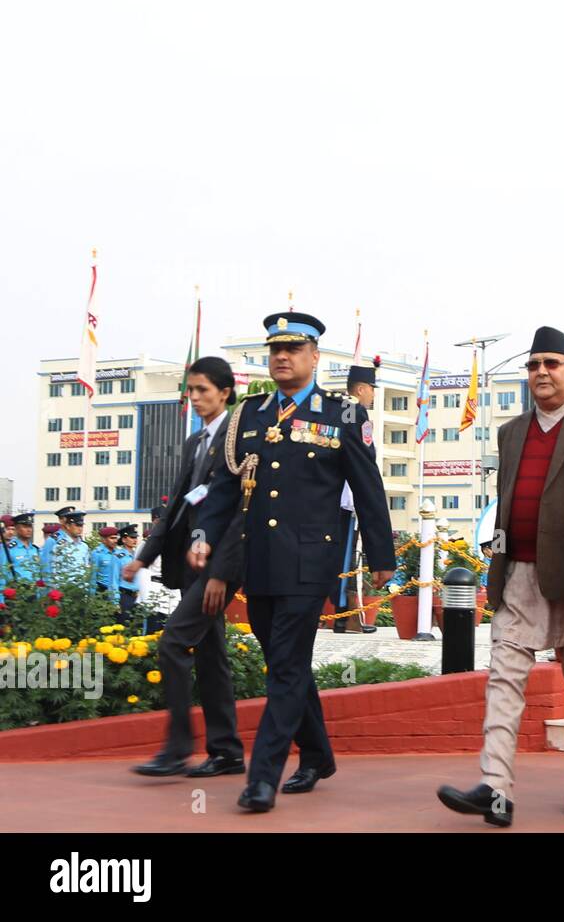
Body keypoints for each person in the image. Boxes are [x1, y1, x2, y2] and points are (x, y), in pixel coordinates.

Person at [191, 314, 394, 813]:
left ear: (315, 357)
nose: (282, 357)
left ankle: (262, 778)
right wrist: (203, 537)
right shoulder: (250, 413)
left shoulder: (343, 414)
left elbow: (367, 486)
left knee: (284, 667)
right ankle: (319, 755)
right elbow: (225, 486)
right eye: (275, 349)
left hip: (310, 562)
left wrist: (381, 555)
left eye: (294, 349)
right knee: (287, 664)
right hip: (259, 560)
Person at [437, 325, 564, 827]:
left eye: (550, 363)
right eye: (532, 365)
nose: (540, 372)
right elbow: (506, 508)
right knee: (503, 680)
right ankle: (496, 789)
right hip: (519, 577)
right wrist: (495, 568)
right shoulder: (512, 431)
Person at [127, 356, 249, 780]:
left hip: (220, 564)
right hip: (191, 563)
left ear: (225, 392)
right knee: (211, 655)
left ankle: (178, 748)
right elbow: (179, 505)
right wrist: (144, 557)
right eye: (190, 390)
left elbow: (241, 511)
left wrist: (221, 573)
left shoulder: (238, 439)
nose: (194, 398)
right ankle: (227, 752)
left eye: (202, 390)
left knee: (173, 643)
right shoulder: (195, 441)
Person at [333, 358, 382, 634]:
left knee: (342, 555)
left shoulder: (339, 408)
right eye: (372, 388)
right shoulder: (356, 412)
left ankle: (342, 612)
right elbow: (364, 458)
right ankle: (343, 612)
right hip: (347, 495)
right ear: (361, 389)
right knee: (345, 557)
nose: (373, 394)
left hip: (335, 496)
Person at [45, 509, 90, 586]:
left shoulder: (84, 546)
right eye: (77, 525)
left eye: (81, 525)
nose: (80, 529)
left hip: (81, 587)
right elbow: (53, 569)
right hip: (64, 587)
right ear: (68, 526)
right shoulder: (59, 546)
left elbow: (86, 568)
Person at [2, 513, 41, 586]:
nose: (29, 530)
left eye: (30, 527)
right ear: (16, 529)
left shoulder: (35, 549)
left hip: (35, 589)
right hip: (18, 590)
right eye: (25, 527)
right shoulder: (8, 549)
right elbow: (2, 572)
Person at [115, 525, 144, 622]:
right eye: (132, 537)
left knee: (138, 626)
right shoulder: (118, 557)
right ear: (124, 539)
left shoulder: (138, 555)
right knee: (124, 625)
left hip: (138, 596)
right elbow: (114, 580)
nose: (135, 540)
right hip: (125, 596)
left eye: (136, 537)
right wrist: (115, 601)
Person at [91, 527, 122, 604]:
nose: (115, 541)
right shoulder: (97, 553)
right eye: (112, 538)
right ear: (104, 540)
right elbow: (93, 576)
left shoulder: (119, 553)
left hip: (117, 590)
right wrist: (91, 596)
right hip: (102, 591)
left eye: (116, 538)